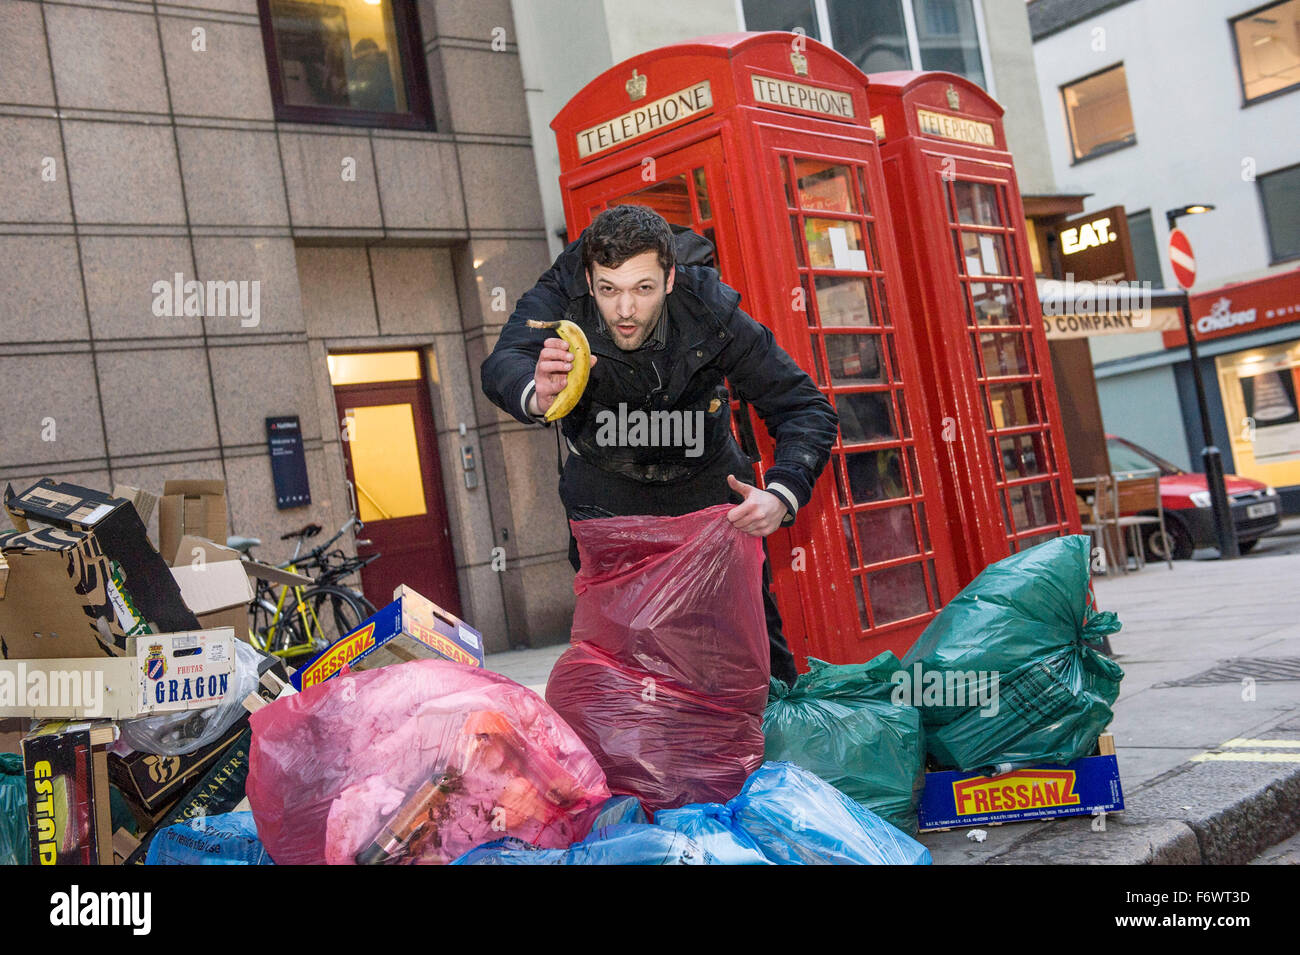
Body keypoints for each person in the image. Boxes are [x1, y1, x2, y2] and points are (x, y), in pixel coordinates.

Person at [480, 205, 838, 685]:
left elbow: (803, 405)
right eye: (608, 290)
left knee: (755, 660)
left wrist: (782, 493)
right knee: (623, 674)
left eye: (643, 289)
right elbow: (503, 360)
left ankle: (772, 747)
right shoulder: (561, 291)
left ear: (670, 279)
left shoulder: (708, 306)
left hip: (708, 491)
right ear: (588, 278)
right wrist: (534, 392)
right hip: (607, 501)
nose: (625, 310)